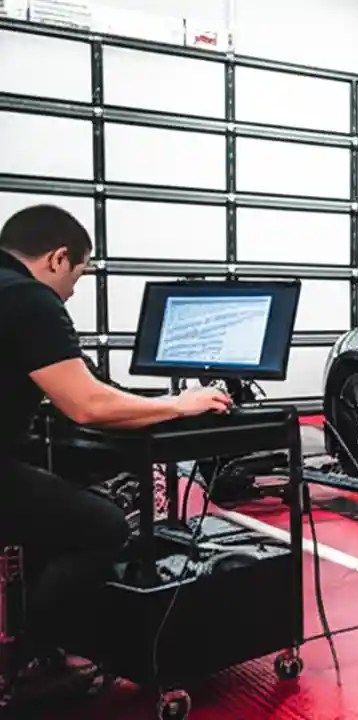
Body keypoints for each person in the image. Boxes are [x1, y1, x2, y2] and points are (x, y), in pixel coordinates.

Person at [0, 205, 231, 708]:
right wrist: (179, 403)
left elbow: (73, 384)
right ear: (59, 258)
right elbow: (86, 405)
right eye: (78, 276)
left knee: (47, 510)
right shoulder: (29, 298)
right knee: (103, 526)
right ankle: (28, 666)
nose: (72, 292)